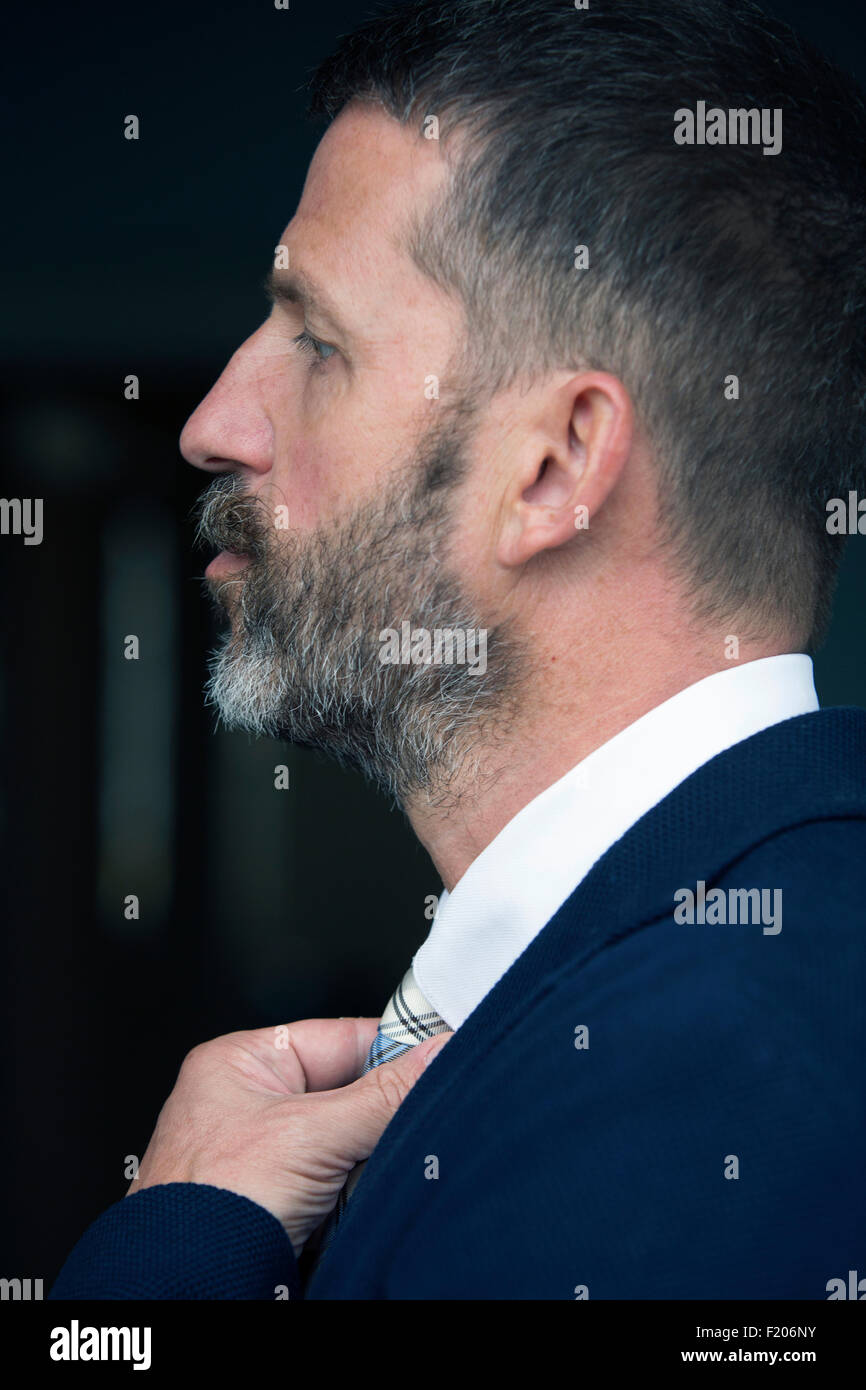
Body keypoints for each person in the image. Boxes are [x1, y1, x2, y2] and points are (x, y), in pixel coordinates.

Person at [50, 0, 866, 1299]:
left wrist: (166, 1255)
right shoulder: (719, 986)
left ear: (551, 468)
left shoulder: (686, 1119)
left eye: (316, 340)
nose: (211, 424)